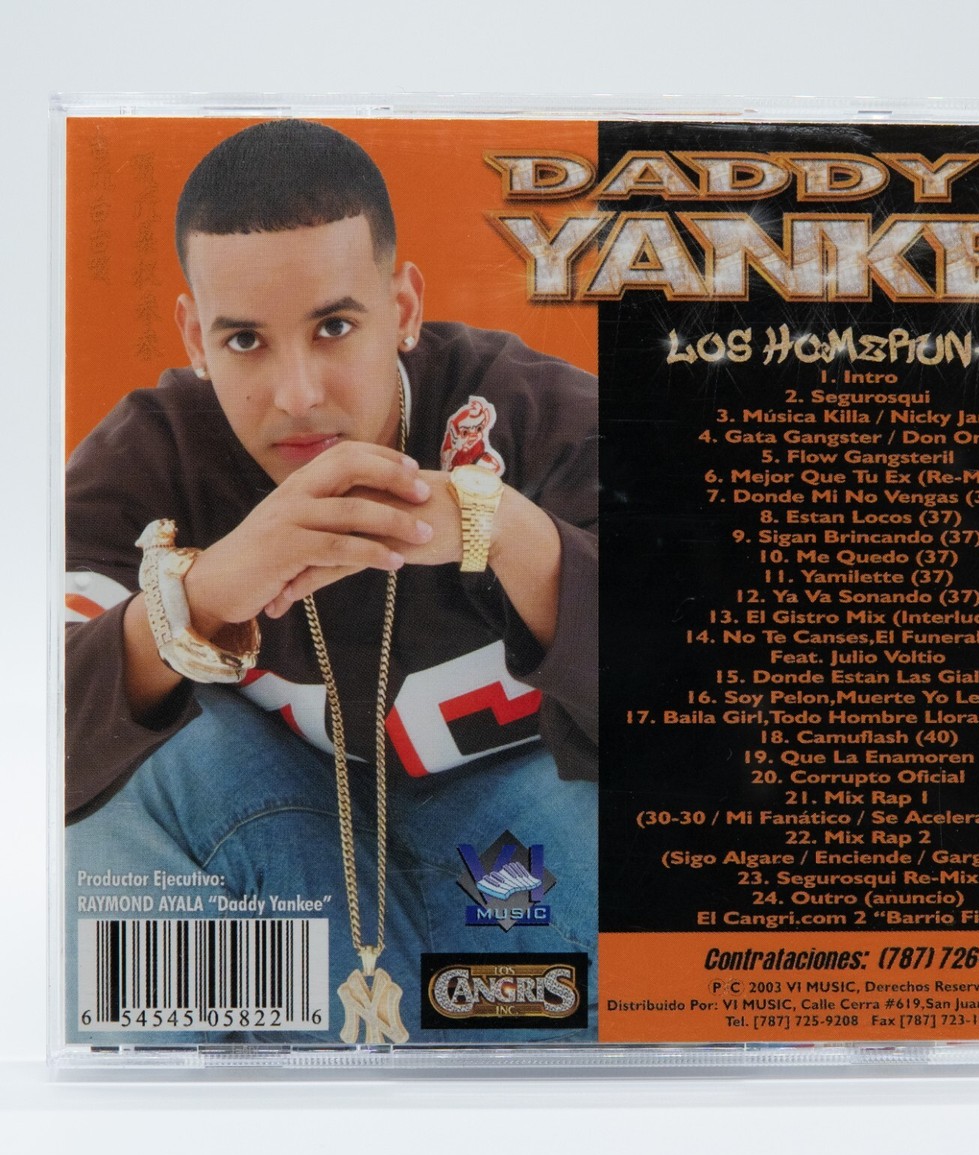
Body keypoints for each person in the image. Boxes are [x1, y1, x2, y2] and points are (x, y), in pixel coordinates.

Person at [64, 120, 598, 1046]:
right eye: (244, 340)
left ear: (405, 305)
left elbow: (737, 710)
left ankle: (424, 1073)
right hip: (297, 864)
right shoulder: (151, 454)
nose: (298, 394)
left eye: (335, 327)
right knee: (132, 764)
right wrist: (200, 597)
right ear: (195, 335)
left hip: (519, 879)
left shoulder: (534, 413)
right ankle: (231, 1090)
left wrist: (509, 533)